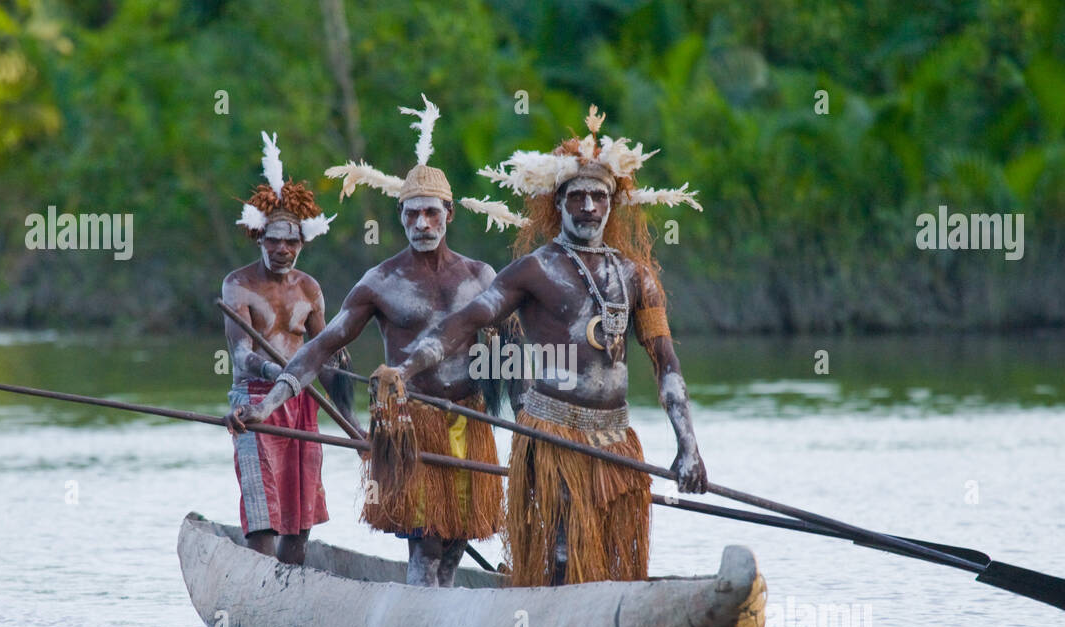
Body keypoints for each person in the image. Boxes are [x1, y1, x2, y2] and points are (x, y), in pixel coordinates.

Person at [376, 106, 707, 586]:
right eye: (577, 197)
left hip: (617, 441)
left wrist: (688, 446)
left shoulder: (636, 276)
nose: (589, 207)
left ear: (613, 204)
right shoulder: (534, 269)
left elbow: (665, 359)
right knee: (559, 557)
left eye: (599, 196)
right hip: (552, 437)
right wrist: (404, 371)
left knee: (614, 559)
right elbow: (466, 322)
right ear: (559, 203)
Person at [226, 97, 523, 587]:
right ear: (399, 217)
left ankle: (441, 622)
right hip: (410, 423)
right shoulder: (380, 282)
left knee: (455, 542)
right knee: (425, 539)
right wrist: (269, 402)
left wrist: (530, 422)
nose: (422, 224)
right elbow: (320, 349)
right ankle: (417, 623)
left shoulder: (480, 277)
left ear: (449, 213)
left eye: (431, 213)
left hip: (471, 422)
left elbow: (511, 358)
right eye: (411, 215)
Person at [222, 132, 354, 565]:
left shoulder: (310, 290)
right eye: (273, 240)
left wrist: (354, 425)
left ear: (303, 243)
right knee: (264, 518)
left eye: (291, 242)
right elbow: (241, 354)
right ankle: (259, 588)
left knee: (299, 521)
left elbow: (325, 359)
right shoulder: (238, 284)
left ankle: (290, 594)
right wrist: (280, 374)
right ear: (259, 237)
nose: (282, 249)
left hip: (302, 406)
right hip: (254, 405)